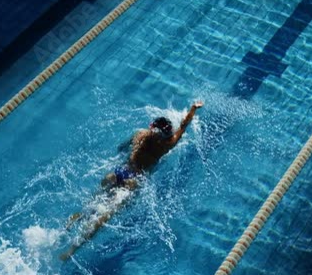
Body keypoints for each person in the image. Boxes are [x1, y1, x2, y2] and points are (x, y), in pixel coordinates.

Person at [60, 101, 204, 261]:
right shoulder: (167, 145)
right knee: (104, 217)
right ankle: (72, 250)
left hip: (118, 173)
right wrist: (193, 108)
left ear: (151, 127)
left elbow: (121, 148)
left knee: (93, 204)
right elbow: (184, 125)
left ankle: (71, 224)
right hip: (133, 181)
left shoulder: (139, 134)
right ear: (168, 134)